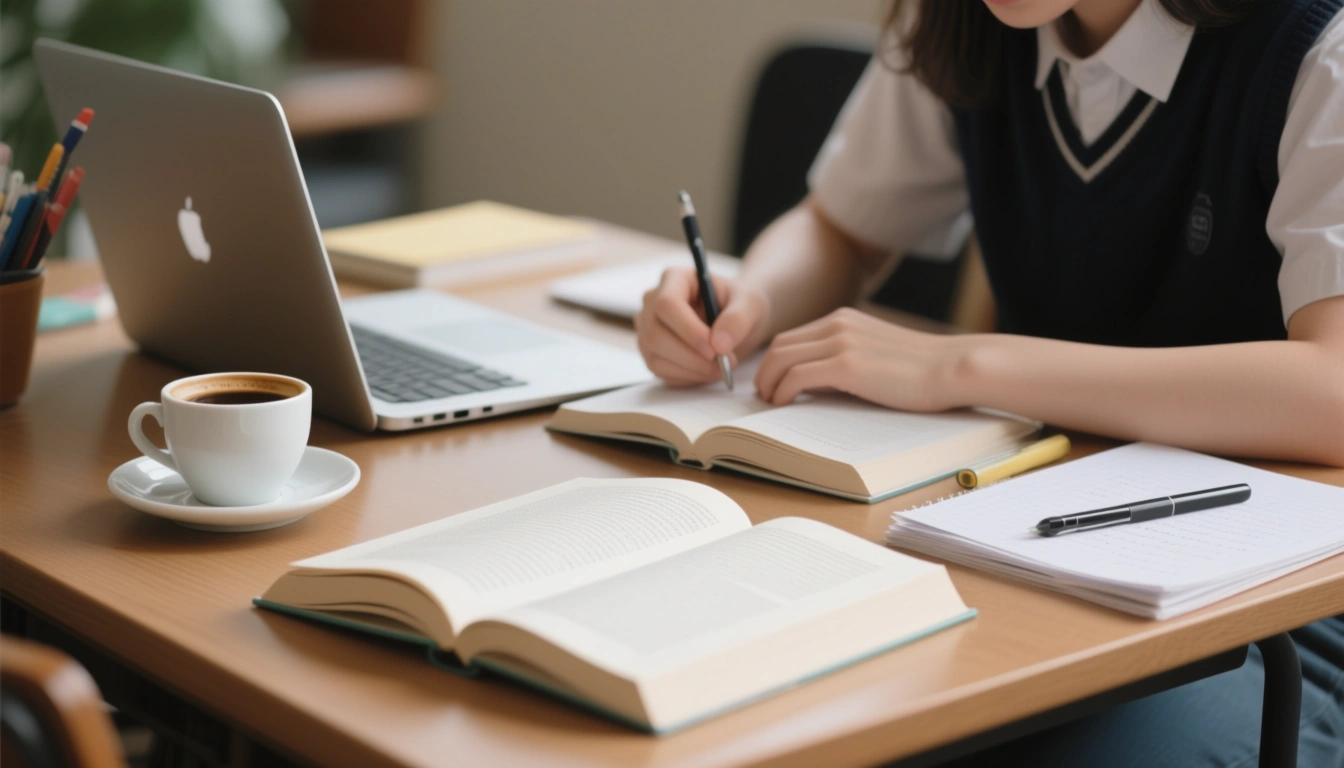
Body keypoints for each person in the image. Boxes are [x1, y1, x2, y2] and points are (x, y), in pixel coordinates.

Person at [633, 0, 1344, 765]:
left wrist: (965, 365)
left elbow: (1333, 390)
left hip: (1282, 619)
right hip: (1041, 562)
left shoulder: (1316, 44)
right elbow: (840, 227)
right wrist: (750, 300)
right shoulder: (965, 21)